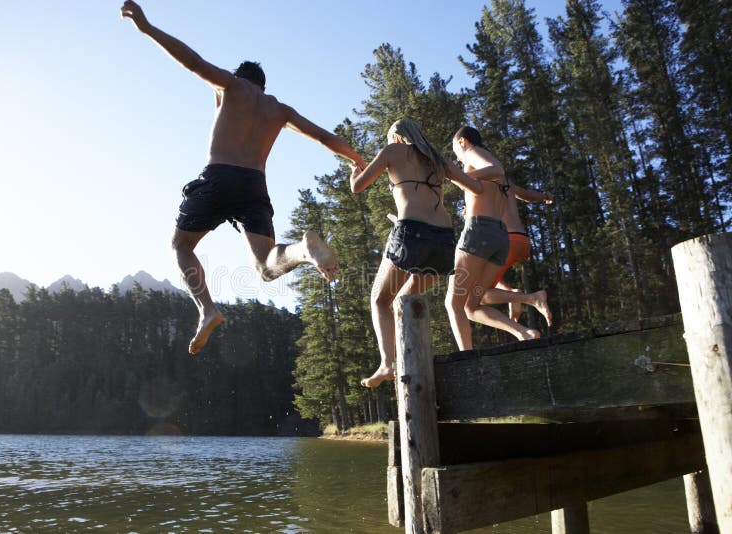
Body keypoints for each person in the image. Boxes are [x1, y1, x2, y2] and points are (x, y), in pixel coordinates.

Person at [121, 1, 366, 354]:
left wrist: (146, 27)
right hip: (254, 186)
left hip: (218, 177)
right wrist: (357, 160)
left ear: (240, 77)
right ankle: (303, 250)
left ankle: (207, 309)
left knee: (181, 246)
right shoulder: (279, 109)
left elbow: (193, 61)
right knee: (268, 267)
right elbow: (325, 137)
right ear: (264, 86)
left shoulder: (231, 86)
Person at [350, 119, 483, 388]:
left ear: (396, 137)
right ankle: (408, 362)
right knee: (403, 302)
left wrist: (355, 171)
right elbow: (476, 188)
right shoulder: (438, 160)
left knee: (379, 298)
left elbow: (358, 187)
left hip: (411, 233)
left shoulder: (391, 151)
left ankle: (388, 363)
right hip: (443, 242)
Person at [445, 126, 542, 350]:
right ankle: (524, 332)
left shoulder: (471, 153)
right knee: (471, 306)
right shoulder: (492, 171)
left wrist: (460, 175)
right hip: (499, 237)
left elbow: (495, 169)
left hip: (479, 233)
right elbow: (489, 186)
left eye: (455, 150)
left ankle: (465, 359)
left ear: (462, 142)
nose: (458, 157)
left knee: (453, 303)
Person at [483, 182, 553, 325]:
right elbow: (528, 195)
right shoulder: (508, 184)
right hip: (522, 241)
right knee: (484, 272)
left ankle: (530, 298)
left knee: (476, 294)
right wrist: (545, 196)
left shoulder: (483, 185)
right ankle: (510, 291)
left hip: (506, 240)